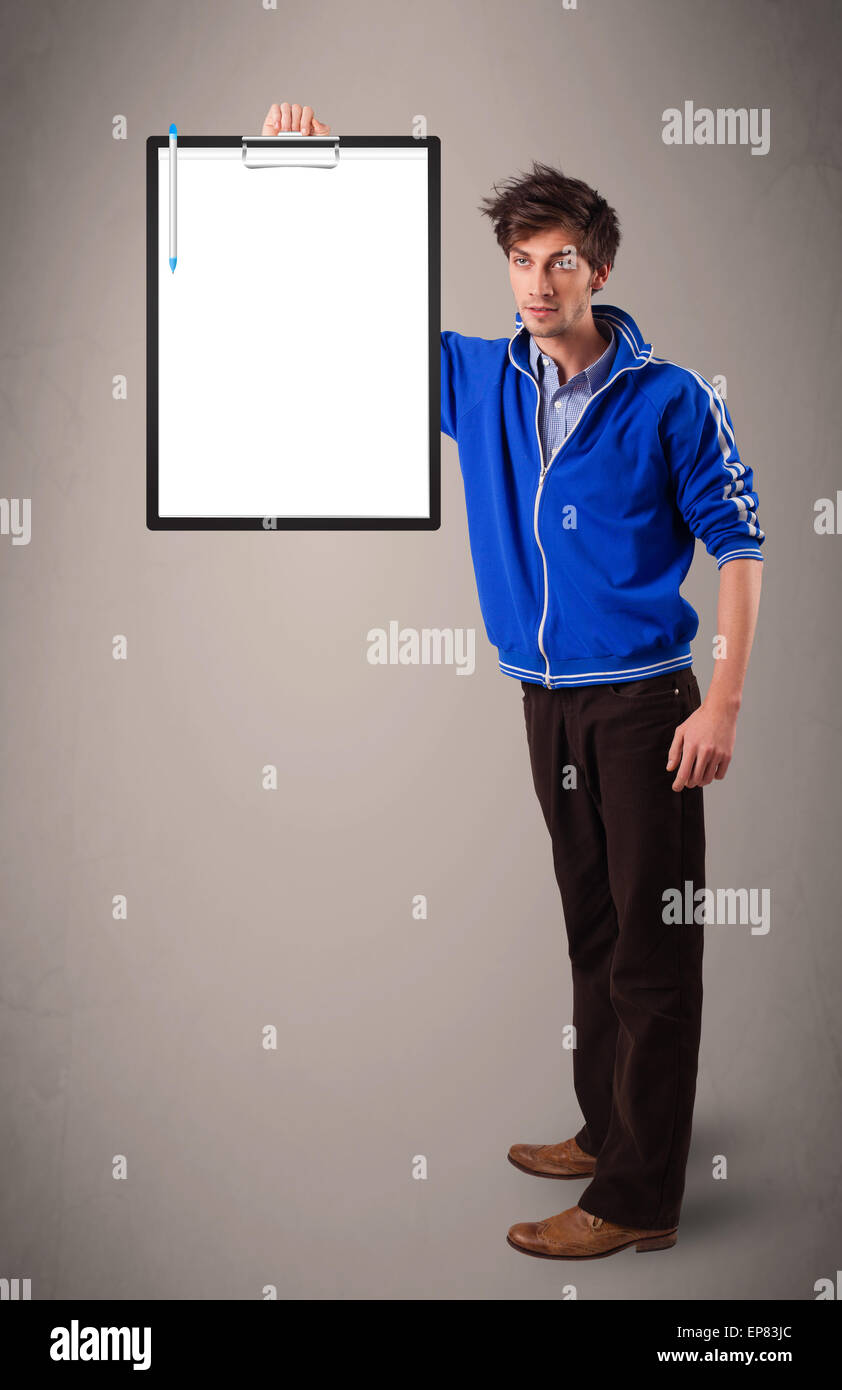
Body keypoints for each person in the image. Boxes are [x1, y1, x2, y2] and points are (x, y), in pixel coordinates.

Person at [261, 102, 765, 1260]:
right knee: (589, 928)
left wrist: (723, 703)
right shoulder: (479, 381)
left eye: (559, 263)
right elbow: (348, 307)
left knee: (649, 948)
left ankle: (638, 1200)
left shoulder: (669, 397)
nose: (537, 284)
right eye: (519, 263)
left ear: (600, 267)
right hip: (543, 699)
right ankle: (607, 1128)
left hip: (645, 706)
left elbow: (739, 548)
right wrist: (312, 174)